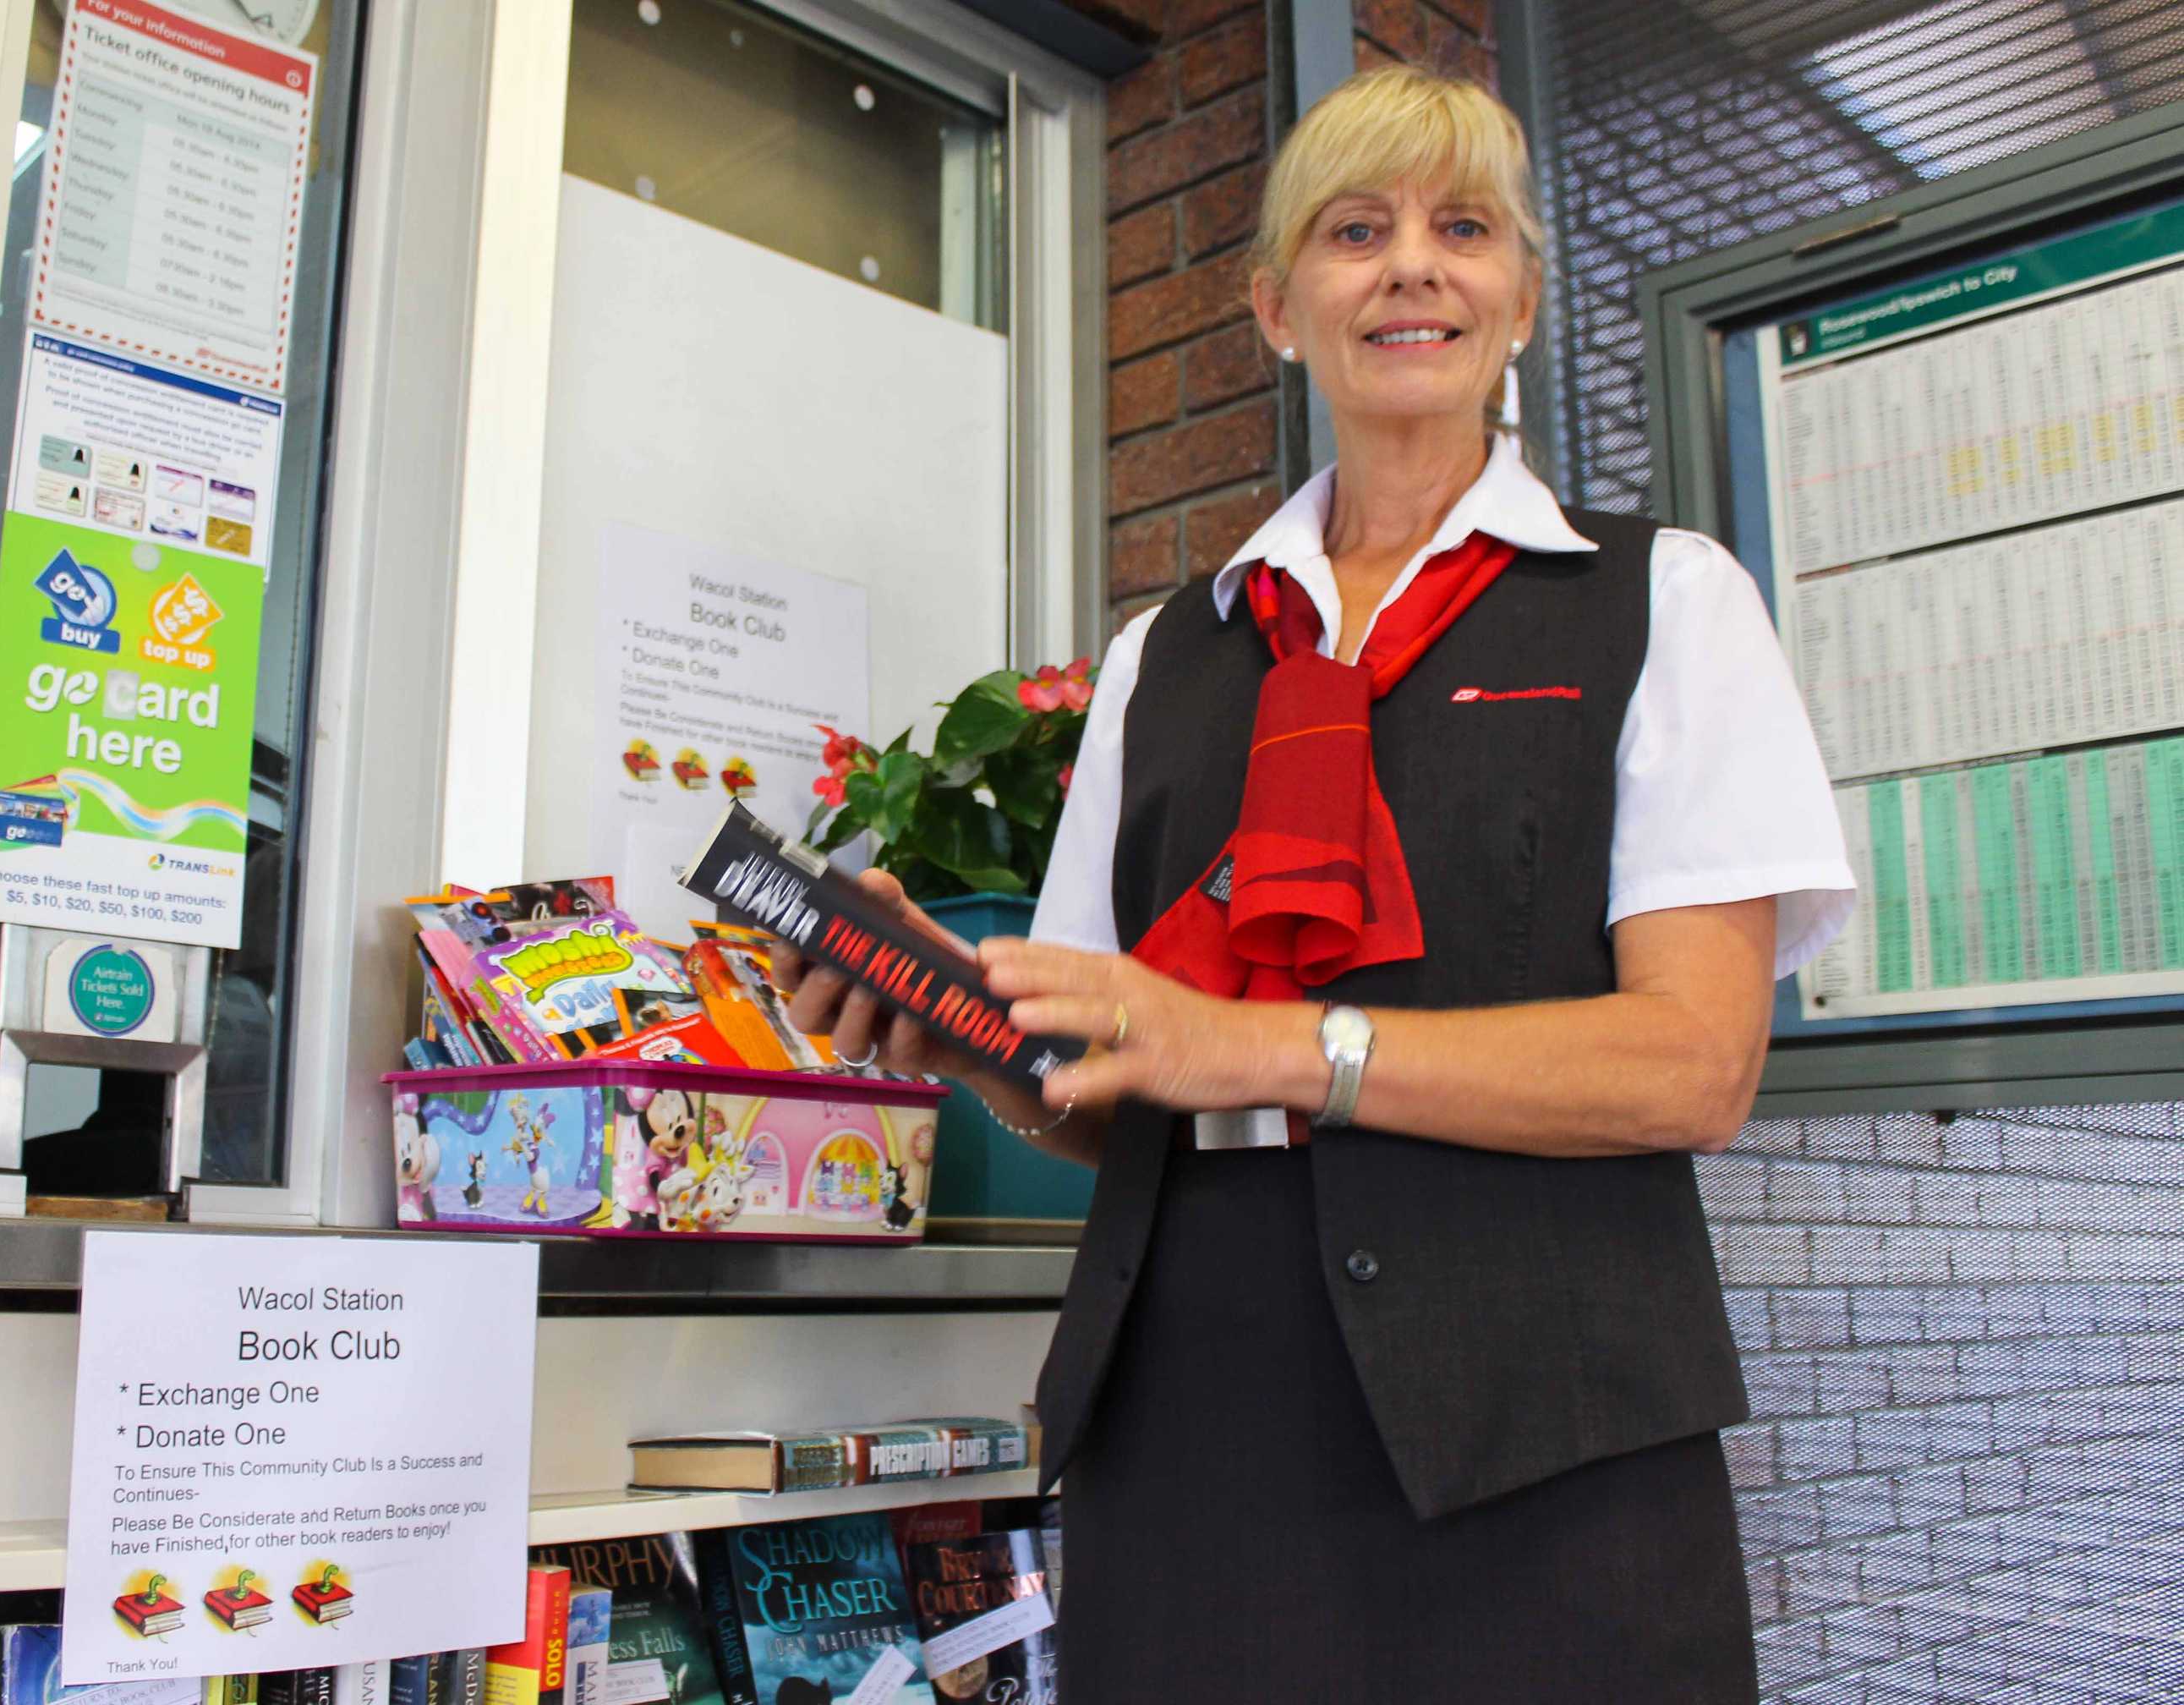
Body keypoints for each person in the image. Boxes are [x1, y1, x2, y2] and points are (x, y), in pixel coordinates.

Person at [772, 65, 1853, 1702]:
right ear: (1280, 308)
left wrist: (1274, 1047)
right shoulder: (1170, 655)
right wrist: (959, 1022)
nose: (1413, 266)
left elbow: (1694, 1067)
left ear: (1523, 300)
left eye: (1462, 227)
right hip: (1191, 1398)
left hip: (1541, 1426)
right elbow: (1105, 1084)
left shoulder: (1665, 603)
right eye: (1358, 232)